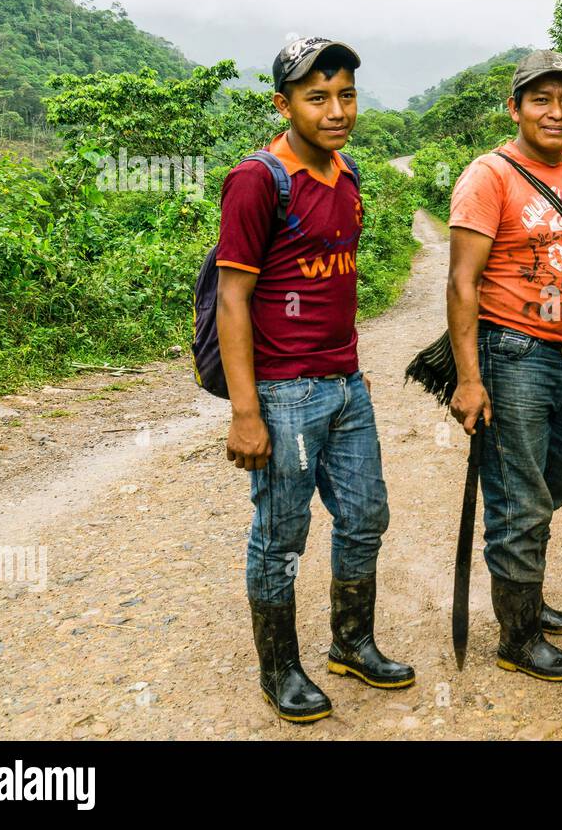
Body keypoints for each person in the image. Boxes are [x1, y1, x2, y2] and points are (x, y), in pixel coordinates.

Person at [216, 37, 413, 723]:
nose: (337, 110)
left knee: (365, 517)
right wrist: (246, 411)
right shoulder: (258, 180)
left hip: (346, 383)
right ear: (284, 103)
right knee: (281, 533)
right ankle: (279, 671)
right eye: (318, 96)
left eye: (347, 95)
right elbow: (233, 298)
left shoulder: (349, 174)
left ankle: (351, 642)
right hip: (284, 392)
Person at [446, 49, 562, 682]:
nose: (557, 113)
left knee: (553, 487)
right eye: (542, 100)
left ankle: (528, 601)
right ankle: (517, 638)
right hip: (513, 356)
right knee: (521, 499)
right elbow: (462, 282)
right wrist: (470, 379)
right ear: (516, 108)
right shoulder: (488, 176)